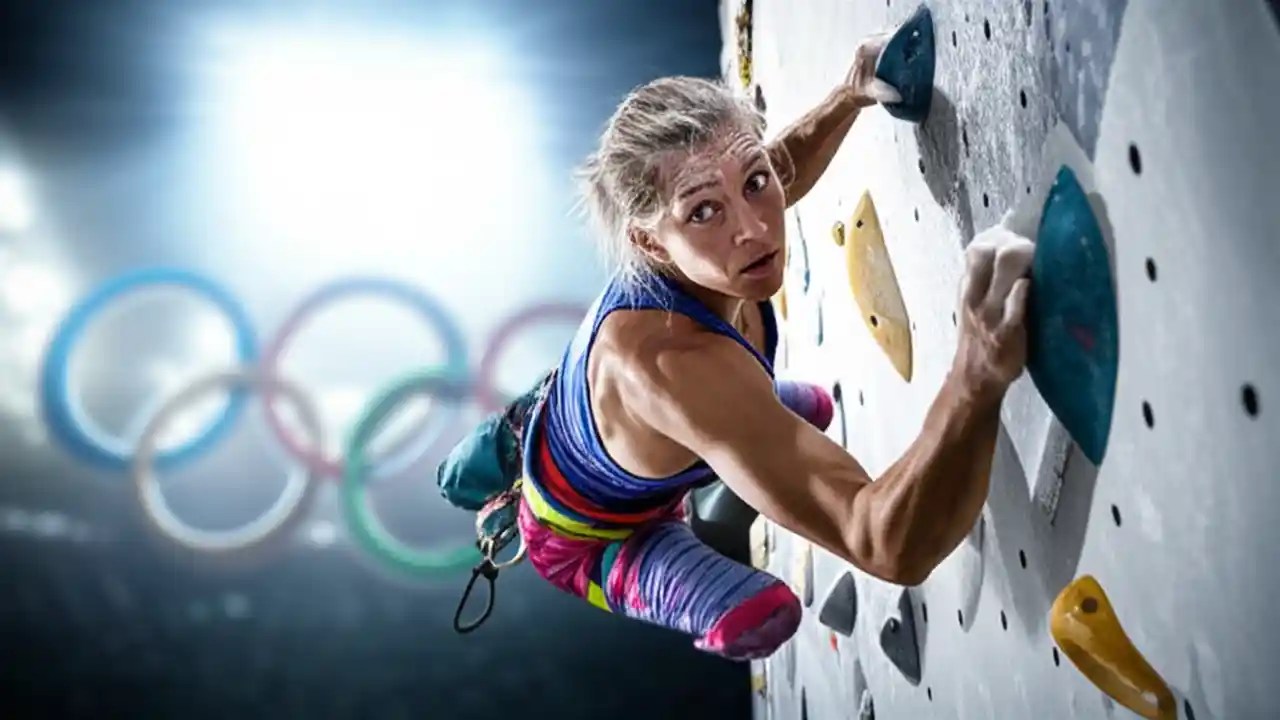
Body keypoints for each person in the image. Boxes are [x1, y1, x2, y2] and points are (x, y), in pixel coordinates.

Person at [438, 32, 1034, 661]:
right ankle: (552, 486)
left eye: (753, 184)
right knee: (762, 614)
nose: (753, 230)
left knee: (792, 408)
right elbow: (887, 545)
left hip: (596, 408)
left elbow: (776, 165)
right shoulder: (680, 368)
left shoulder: (717, 231)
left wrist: (849, 93)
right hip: (588, 535)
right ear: (651, 245)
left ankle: (603, 435)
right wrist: (976, 374)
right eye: (702, 213)